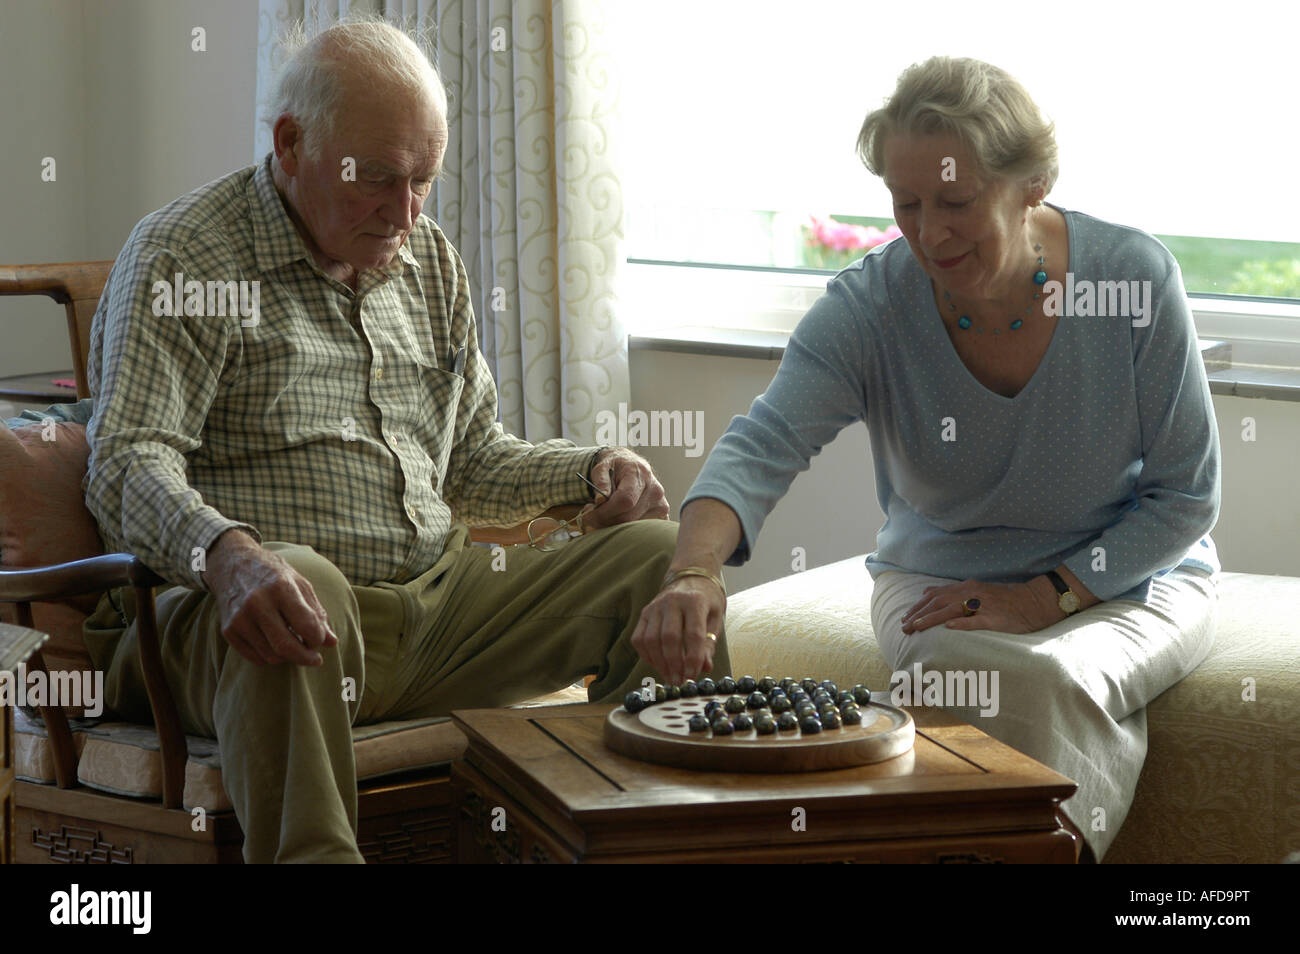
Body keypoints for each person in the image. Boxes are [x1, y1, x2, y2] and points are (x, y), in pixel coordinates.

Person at [78, 19, 727, 863]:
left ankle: (671, 846)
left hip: (436, 607)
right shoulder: (188, 259)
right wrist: (231, 556)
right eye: (378, 180)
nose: (406, 212)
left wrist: (595, 470)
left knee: (659, 555)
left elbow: (471, 461)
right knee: (297, 588)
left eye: (425, 181)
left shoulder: (425, 260)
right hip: (235, 620)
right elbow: (126, 459)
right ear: (290, 144)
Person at [634, 56, 1220, 864]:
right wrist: (693, 572)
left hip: (1132, 573)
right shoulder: (871, 306)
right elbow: (763, 444)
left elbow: (1186, 497)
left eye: (956, 201)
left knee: (1048, 673)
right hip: (940, 582)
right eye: (905, 204)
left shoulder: (1132, 278)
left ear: (1033, 182)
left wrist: (1051, 595)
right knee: (966, 671)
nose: (928, 232)